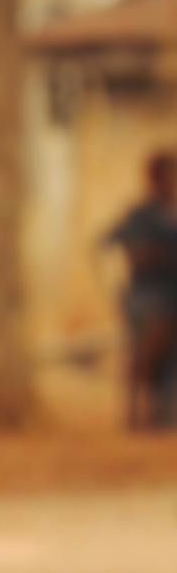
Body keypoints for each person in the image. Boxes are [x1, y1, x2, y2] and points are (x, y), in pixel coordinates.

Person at [104, 146, 177, 430]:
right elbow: (126, 249)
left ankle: (164, 410)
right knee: (154, 334)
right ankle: (135, 411)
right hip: (148, 294)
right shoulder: (140, 215)